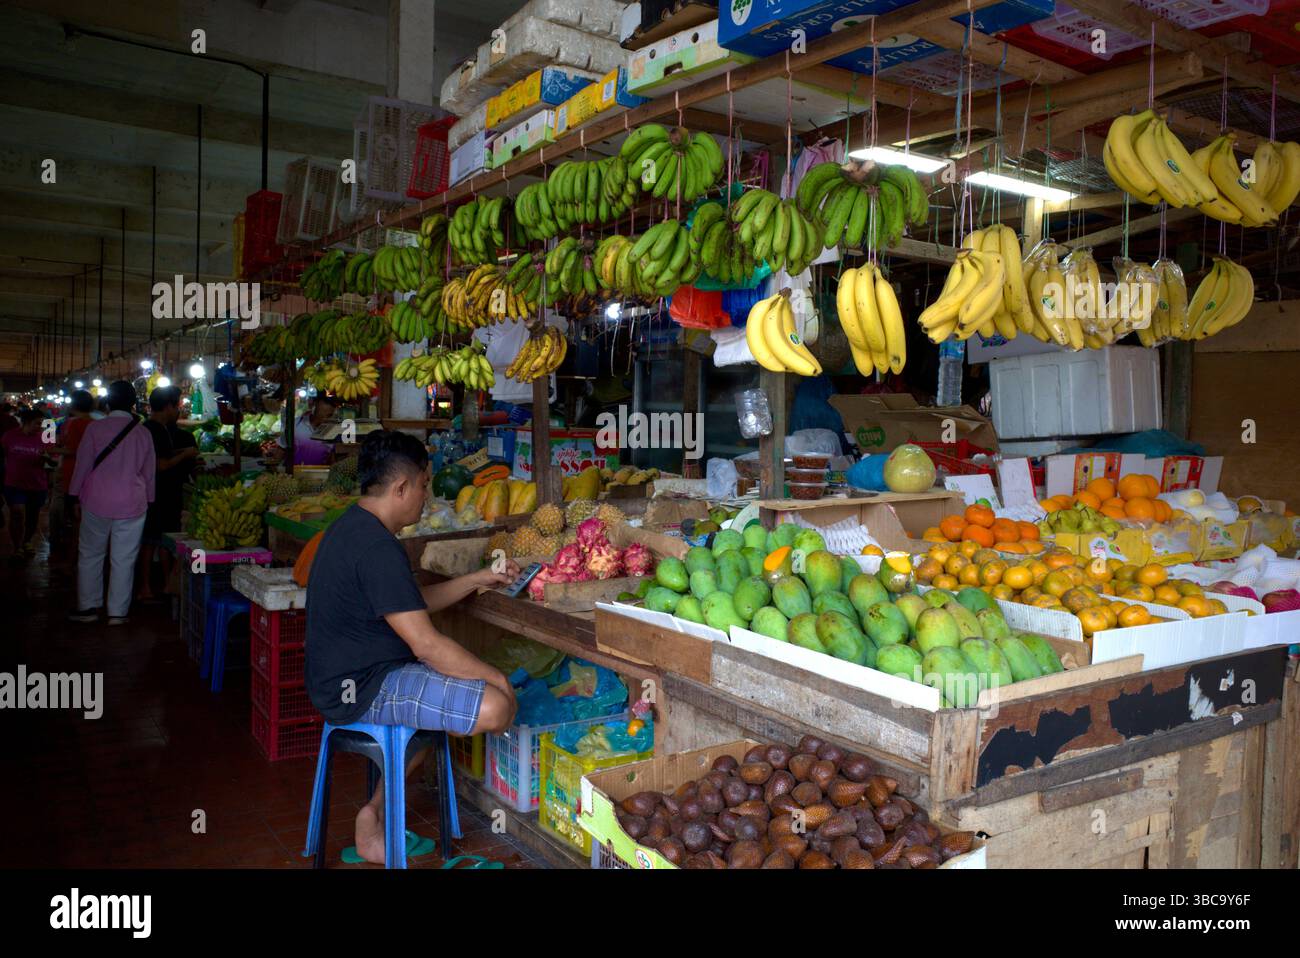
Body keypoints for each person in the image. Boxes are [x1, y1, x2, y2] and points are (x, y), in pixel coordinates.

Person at [305, 430, 518, 865]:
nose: (427, 496)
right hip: (364, 686)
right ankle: (376, 817)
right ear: (401, 487)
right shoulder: (376, 547)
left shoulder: (353, 527)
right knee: (496, 707)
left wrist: (476, 580)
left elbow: (410, 607)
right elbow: (425, 644)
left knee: (449, 706)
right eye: (424, 485)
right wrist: (495, 677)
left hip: (348, 677)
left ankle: (375, 814)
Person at [68, 381, 155, 626]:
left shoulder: (95, 429)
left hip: (96, 500)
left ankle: (88, 607)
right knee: (124, 558)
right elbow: (149, 473)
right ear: (133, 403)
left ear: (107, 403)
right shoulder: (143, 432)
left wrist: (73, 495)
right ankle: (117, 613)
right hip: (132, 502)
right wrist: (150, 499)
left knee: (91, 554)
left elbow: (82, 465)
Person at [137, 387, 200, 602]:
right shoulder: (156, 430)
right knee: (150, 541)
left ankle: (166, 585)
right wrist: (186, 456)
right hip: (158, 492)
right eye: (177, 406)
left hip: (155, 492)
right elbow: (161, 464)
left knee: (161, 539)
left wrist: (182, 453)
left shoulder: (148, 428)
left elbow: (161, 456)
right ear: (168, 406)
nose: (179, 411)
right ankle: (146, 587)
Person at [2, 410, 52, 560]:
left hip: (37, 484)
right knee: (17, 513)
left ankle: (27, 541)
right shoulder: (9, 436)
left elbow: (53, 460)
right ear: (26, 422)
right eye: (37, 423)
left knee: (32, 516)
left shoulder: (45, 437)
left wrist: (48, 459)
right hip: (14, 483)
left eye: (42, 423)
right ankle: (17, 547)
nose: (40, 427)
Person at [50, 390, 96, 550]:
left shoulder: (71, 423)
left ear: (73, 404)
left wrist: (53, 450)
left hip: (72, 473)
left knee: (70, 511)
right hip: (90, 474)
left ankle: (66, 547)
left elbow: (75, 450)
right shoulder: (94, 423)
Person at [275, 394, 337, 466]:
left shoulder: (331, 431)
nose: (326, 419)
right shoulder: (295, 425)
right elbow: (281, 450)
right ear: (314, 410)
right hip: (293, 475)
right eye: (322, 415)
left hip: (318, 475)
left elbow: (331, 458)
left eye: (329, 415)